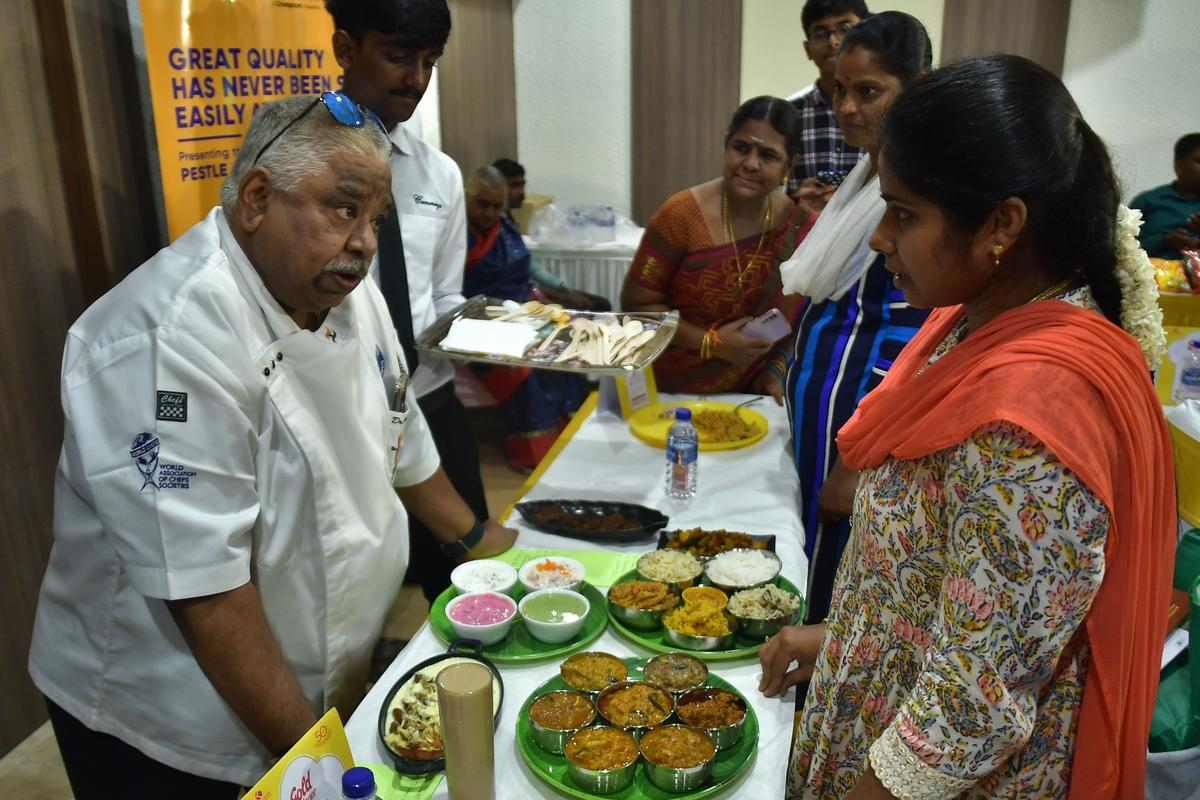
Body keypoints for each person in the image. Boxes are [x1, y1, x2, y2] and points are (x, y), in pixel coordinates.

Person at [27, 94, 516, 799]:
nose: (366, 242)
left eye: (375, 220)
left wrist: (493, 547)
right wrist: (323, 761)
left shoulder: (348, 290)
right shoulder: (169, 339)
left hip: (312, 682)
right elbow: (208, 593)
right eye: (344, 209)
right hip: (170, 718)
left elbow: (401, 439)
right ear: (257, 198)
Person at [761, 55, 1174, 800]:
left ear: (1001, 224)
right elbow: (959, 587)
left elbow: (972, 706)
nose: (881, 239)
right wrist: (842, 637)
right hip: (885, 704)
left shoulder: (1031, 418)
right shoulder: (980, 323)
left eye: (905, 213)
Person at [329, 0, 493, 603]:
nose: (416, 80)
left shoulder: (440, 174)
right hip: (343, 407)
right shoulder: (303, 161)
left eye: (430, 62)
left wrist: (498, 334)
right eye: (398, 57)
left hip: (428, 394)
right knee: (357, 576)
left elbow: (441, 294)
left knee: (465, 572)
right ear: (347, 50)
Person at [780, 11, 932, 624]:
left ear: (916, 87)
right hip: (822, 407)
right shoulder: (870, 170)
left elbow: (910, 335)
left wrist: (853, 459)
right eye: (839, 90)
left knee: (838, 566)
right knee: (810, 549)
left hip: (853, 422)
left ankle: (822, 692)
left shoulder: (916, 183)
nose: (846, 107)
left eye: (868, 91)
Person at [621, 96, 813, 399]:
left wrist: (775, 369)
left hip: (754, 396)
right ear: (726, 145)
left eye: (768, 155)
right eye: (741, 148)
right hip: (673, 393)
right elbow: (638, 307)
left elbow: (803, 312)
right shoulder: (681, 215)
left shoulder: (798, 223)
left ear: (790, 164)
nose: (750, 164)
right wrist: (710, 342)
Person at [462, 166, 588, 469]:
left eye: (496, 205)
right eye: (482, 204)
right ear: (467, 200)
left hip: (525, 311)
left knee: (564, 352)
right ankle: (535, 455)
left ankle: (570, 441)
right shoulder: (456, 234)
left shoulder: (506, 226)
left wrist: (551, 297)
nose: (490, 213)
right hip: (480, 322)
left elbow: (525, 270)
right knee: (524, 372)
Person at [492, 156, 611, 311]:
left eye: (523, 184)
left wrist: (563, 289)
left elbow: (527, 264)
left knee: (600, 303)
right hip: (515, 298)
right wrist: (561, 294)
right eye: (514, 185)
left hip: (527, 289)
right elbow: (515, 278)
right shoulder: (493, 228)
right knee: (593, 307)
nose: (522, 192)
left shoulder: (508, 220)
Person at [785, 0, 870, 211]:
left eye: (845, 28)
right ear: (807, 48)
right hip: (805, 237)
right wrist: (794, 204)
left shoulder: (886, 110)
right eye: (821, 33)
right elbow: (766, 194)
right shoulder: (788, 115)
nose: (833, 40)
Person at [1130, 132, 1200, 258]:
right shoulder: (1148, 201)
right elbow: (1123, 252)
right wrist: (1165, 240)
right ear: (1179, 167)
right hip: (1154, 275)